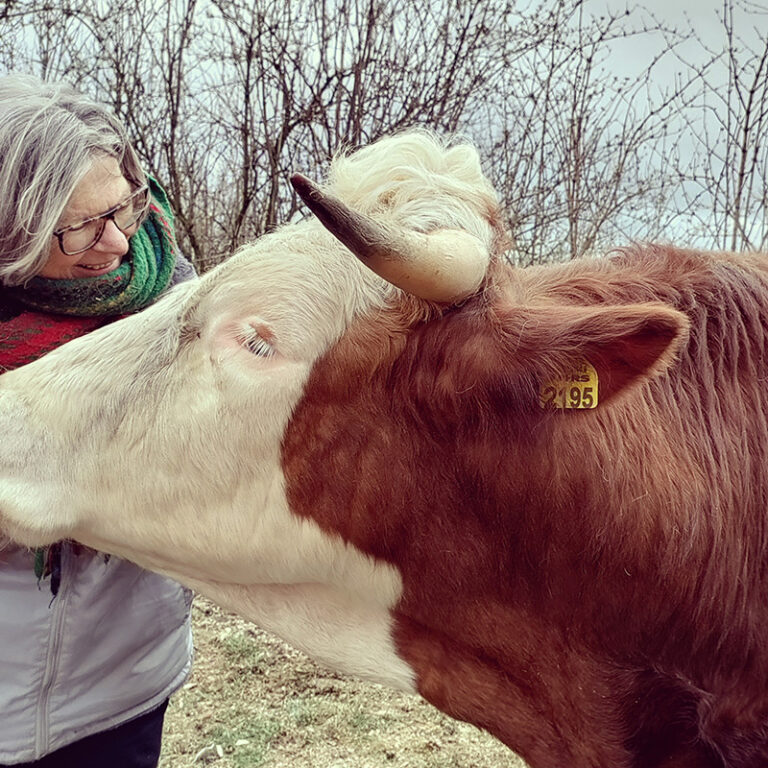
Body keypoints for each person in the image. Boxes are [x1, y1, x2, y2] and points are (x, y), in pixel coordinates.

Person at [0, 74, 196, 767]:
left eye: (124, 207)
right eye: (78, 226)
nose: (115, 243)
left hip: (127, 682)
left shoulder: (173, 295)